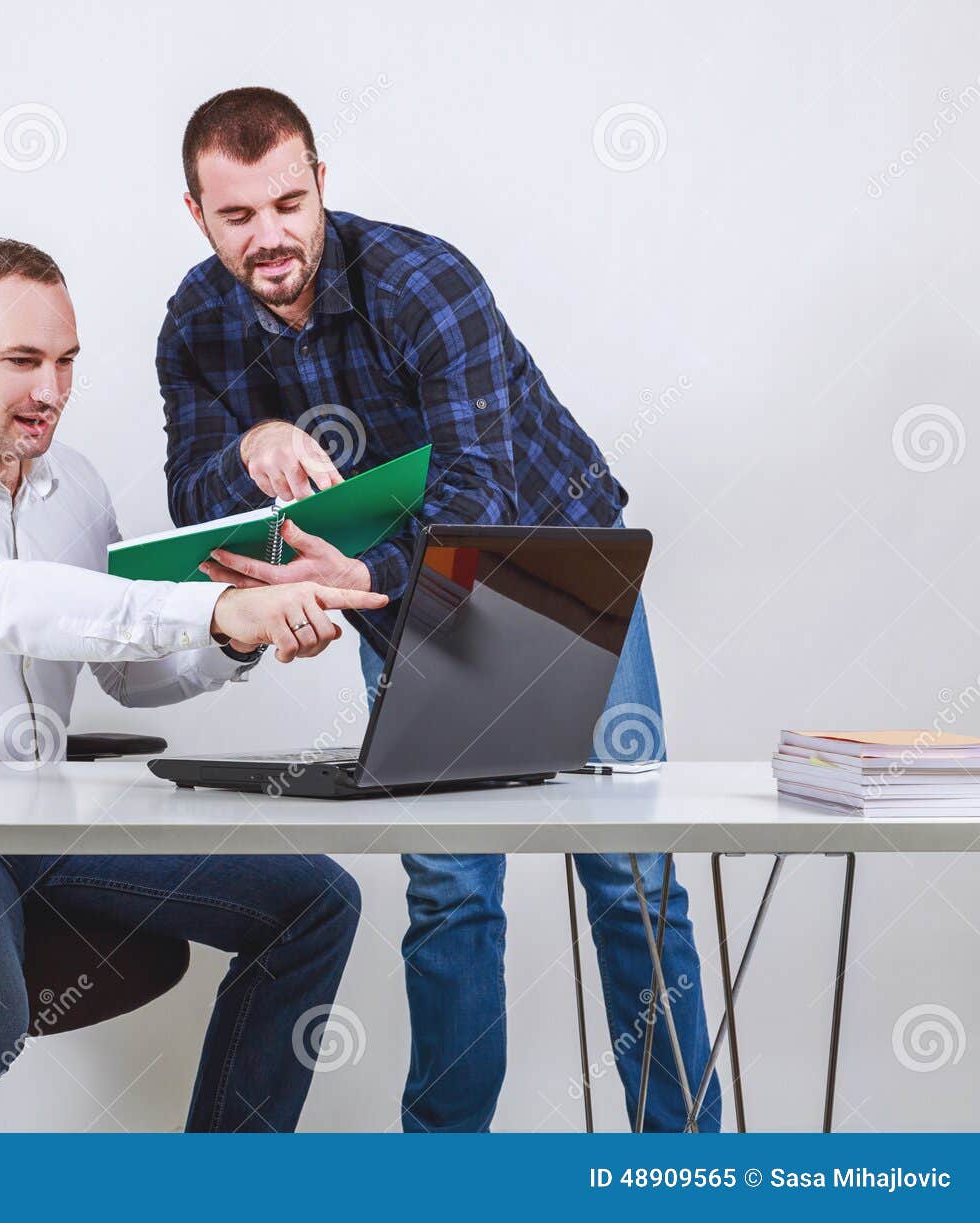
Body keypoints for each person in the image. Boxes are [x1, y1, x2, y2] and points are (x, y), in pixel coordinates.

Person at [157, 87, 719, 1132]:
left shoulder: (422, 282)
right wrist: (249, 443)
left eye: (289, 203)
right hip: (390, 595)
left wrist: (348, 578)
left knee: (630, 876)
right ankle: (445, 1166)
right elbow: (194, 498)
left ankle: (685, 1157)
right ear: (197, 214)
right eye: (238, 217)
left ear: (321, 183)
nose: (270, 236)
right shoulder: (194, 322)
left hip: (555, 570)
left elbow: (476, 503)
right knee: (451, 885)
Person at [0, 237, 385, 1132]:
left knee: (314, 901)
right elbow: (4, 604)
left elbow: (126, 668)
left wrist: (241, 632)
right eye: (23, 361)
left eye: (67, 361)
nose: (51, 392)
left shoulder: (72, 486)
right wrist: (214, 612)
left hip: (39, 815)